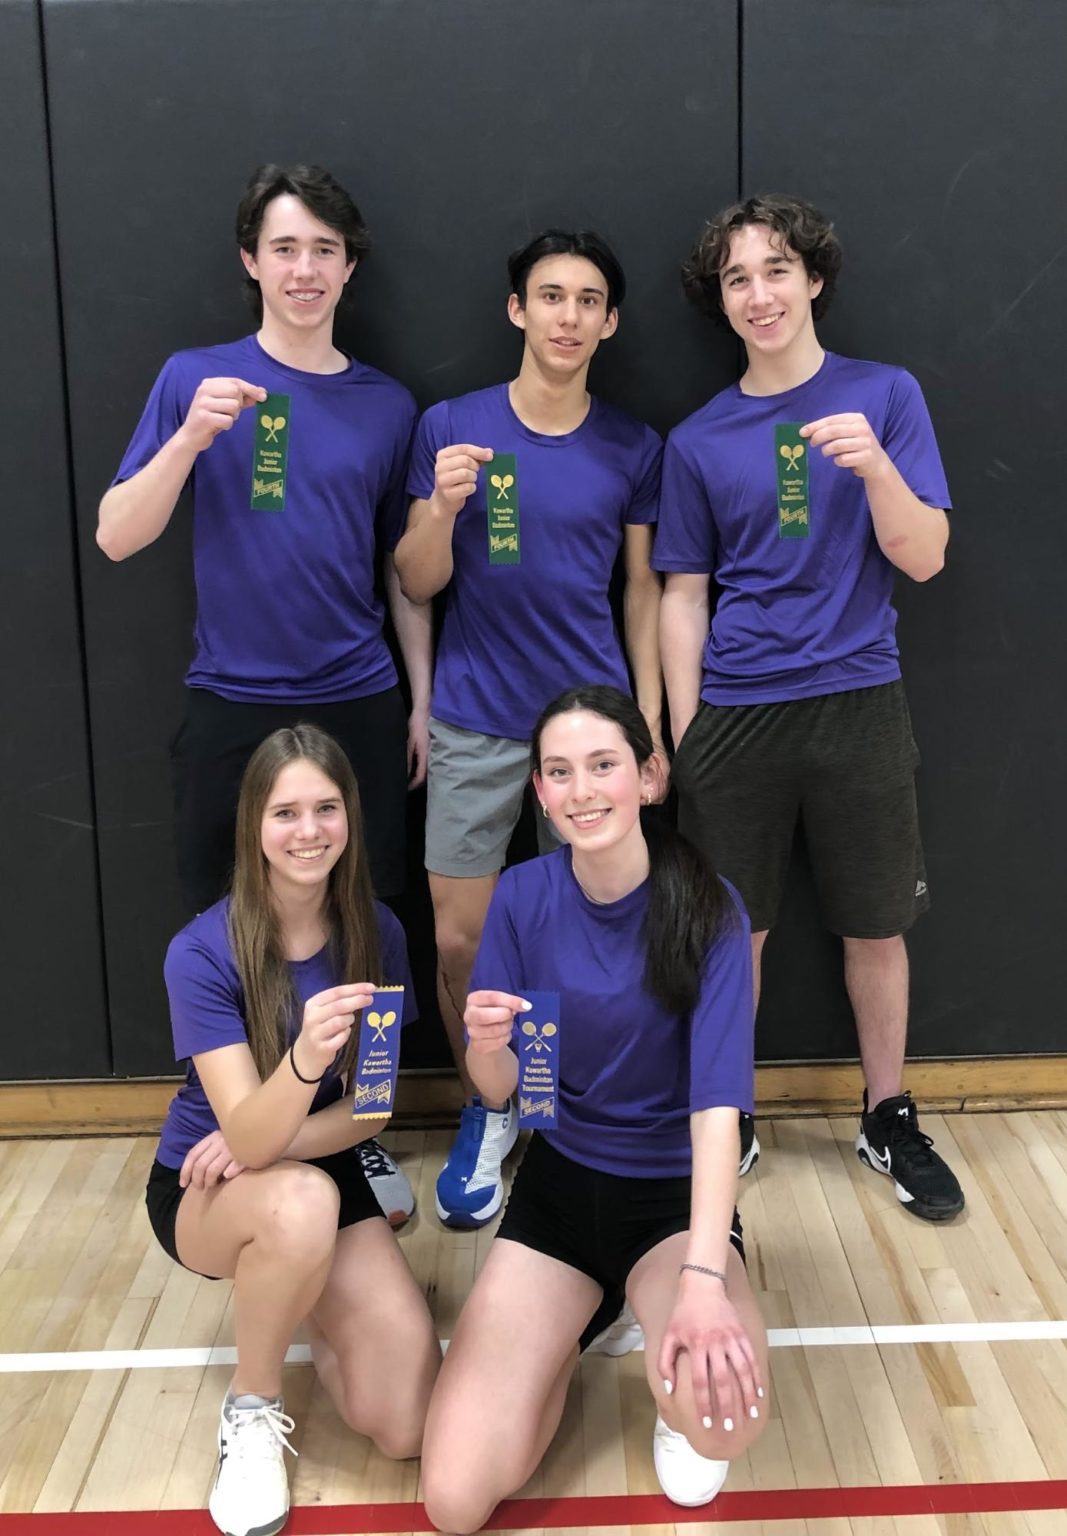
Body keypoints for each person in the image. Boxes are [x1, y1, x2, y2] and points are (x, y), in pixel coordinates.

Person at [98, 163, 429, 1220]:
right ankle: (229, 1131)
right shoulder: (194, 378)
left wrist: (418, 700)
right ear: (251, 260)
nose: (304, 269)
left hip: (358, 699)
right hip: (232, 702)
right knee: (227, 925)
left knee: (364, 923)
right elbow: (116, 535)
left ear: (347, 267)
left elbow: (400, 572)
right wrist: (193, 434)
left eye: (324, 250)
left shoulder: (386, 405)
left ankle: (355, 1132)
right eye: (284, 248)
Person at [655, 194, 963, 1219]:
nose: (759, 293)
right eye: (737, 278)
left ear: (813, 279)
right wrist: (687, 734)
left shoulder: (883, 396)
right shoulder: (698, 438)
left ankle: (887, 1116)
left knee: (875, 925)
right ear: (722, 301)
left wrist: (873, 467)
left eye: (775, 269)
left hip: (857, 701)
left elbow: (922, 557)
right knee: (728, 932)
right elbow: (682, 593)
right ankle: (724, 1115)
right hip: (737, 714)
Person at [419, 686, 767, 1530]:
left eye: (603, 765)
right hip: (562, 1190)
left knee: (722, 1427)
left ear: (647, 777)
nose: (582, 790)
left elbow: (718, 1110)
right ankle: (583, 1320)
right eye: (560, 771)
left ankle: (648, 1321)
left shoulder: (710, 907)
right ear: (538, 791)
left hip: (671, 1208)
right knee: (455, 1501)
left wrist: (701, 1279)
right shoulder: (524, 896)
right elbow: (508, 1093)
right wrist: (488, 1042)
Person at [394, 231, 665, 1228]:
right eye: (548, 296)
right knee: (462, 937)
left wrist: (646, 731)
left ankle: (554, 1115)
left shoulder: (634, 446)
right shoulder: (450, 426)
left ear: (609, 322)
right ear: (517, 311)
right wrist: (438, 509)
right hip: (472, 721)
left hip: (588, 734)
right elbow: (417, 580)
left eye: (586, 300)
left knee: (584, 939)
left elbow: (641, 591)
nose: (565, 316)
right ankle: (489, 1106)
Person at [144, 724, 440, 1536]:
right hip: (203, 1188)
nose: (307, 831)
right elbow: (237, 1138)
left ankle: (298, 1282)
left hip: (298, 1160)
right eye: (285, 813)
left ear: (349, 819)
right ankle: (250, 1410)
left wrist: (266, 1146)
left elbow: (372, 1109)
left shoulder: (376, 932)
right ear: (254, 827)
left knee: (408, 1424)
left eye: (326, 808)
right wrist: (306, 1061)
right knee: (299, 1208)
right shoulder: (200, 952)